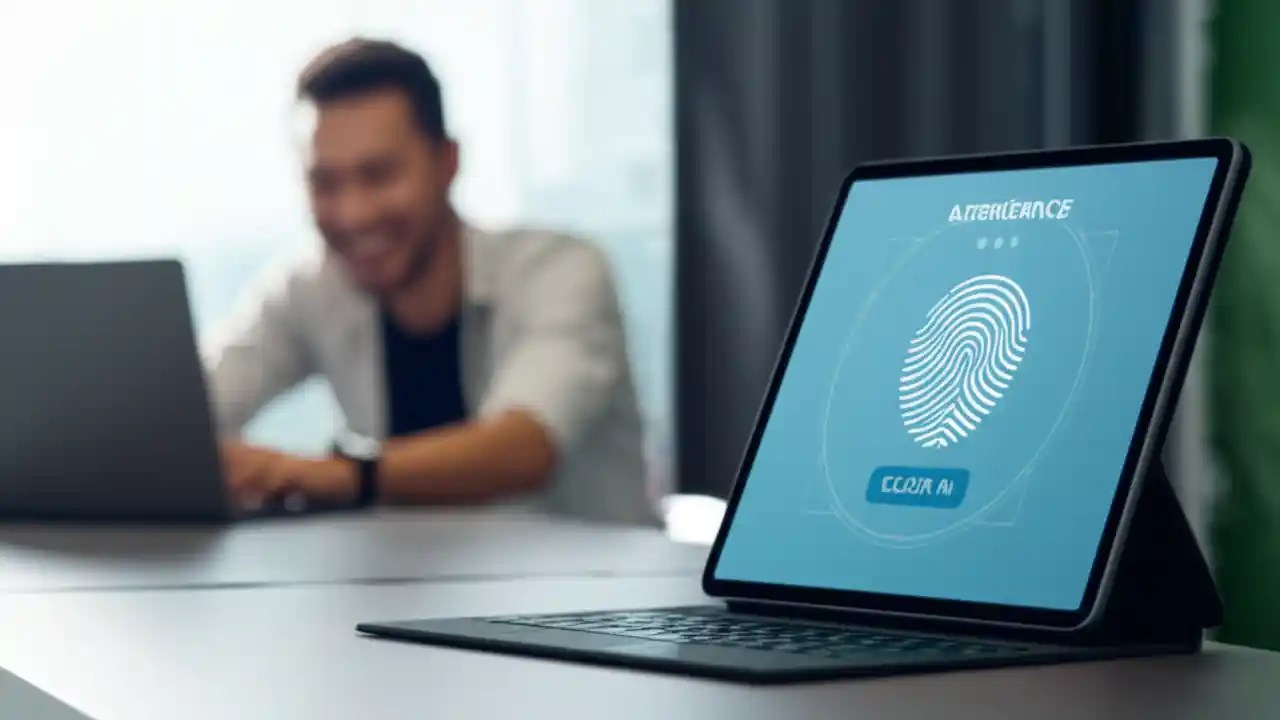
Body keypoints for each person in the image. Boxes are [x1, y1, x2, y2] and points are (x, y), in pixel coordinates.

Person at [207, 38, 653, 524]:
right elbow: (194, 406)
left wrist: (330, 475)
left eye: (379, 175)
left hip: (593, 585)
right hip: (415, 588)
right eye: (324, 182)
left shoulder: (560, 270)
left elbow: (525, 446)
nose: (354, 213)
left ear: (447, 162)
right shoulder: (311, 288)